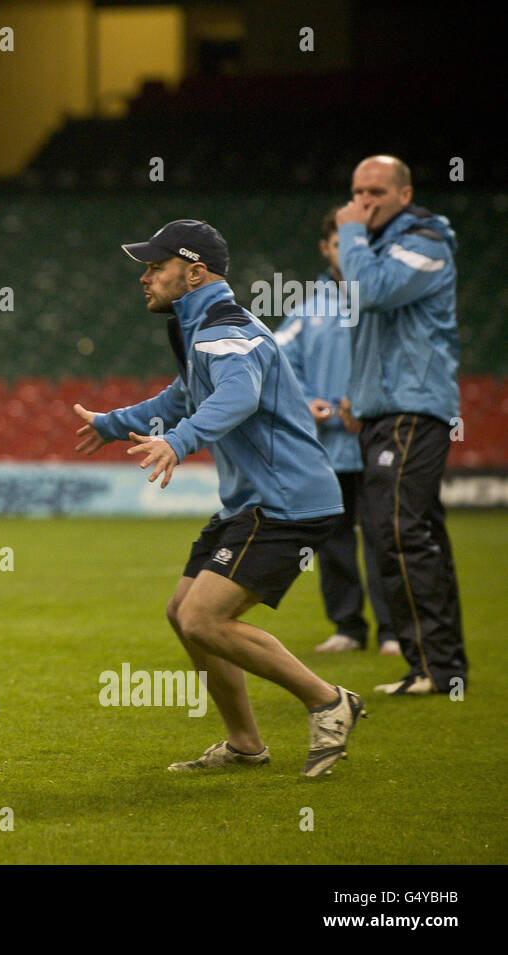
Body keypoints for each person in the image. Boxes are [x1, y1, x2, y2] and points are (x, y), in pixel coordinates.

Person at [73, 219, 366, 777]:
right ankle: (245, 745)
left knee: (205, 619)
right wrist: (115, 424)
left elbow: (237, 395)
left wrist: (177, 442)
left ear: (195, 271)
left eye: (157, 267)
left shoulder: (225, 328)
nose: (147, 277)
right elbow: (186, 394)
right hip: (252, 502)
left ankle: (329, 702)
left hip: (285, 504)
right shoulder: (203, 325)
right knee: (183, 613)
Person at [335, 155, 467, 696]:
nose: (365, 200)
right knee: (418, 533)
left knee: (398, 531)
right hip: (386, 410)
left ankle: (433, 668)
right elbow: (376, 333)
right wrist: (357, 396)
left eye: (376, 191)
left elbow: (371, 293)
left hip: (414, 410)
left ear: (404, 196)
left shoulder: (425, 242)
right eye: (357, 191)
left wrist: (348, 231)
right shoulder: (383, 249)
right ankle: (439, 667)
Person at [274, 210, 397, 655]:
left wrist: (371, 404)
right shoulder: (307, 312)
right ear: (325, 248)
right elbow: (279, 365)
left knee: (388, 536)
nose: (344, 250)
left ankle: (393, 631)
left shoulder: (387, 304)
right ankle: (347, 627)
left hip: (381, 439)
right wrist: (307, 402)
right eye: (337, 243)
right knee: (332, 539)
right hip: (325, 447)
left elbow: (407, 364)